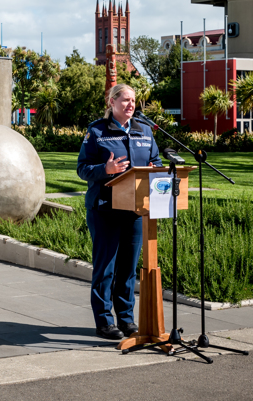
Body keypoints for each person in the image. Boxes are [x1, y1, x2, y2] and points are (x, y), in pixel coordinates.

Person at [77, 84, 162, 340]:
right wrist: (107, 169)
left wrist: (152, 168)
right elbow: (83, 169)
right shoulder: (97, 131)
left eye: (133, 100)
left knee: (127, 269)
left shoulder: (144, 130)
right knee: (106, 268)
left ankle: (126, 320)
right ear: (111, 102)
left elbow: (156, 162)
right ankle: (104, 322)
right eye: (125, 100)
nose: (130, 104)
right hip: (105, 210)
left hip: (135, 210)